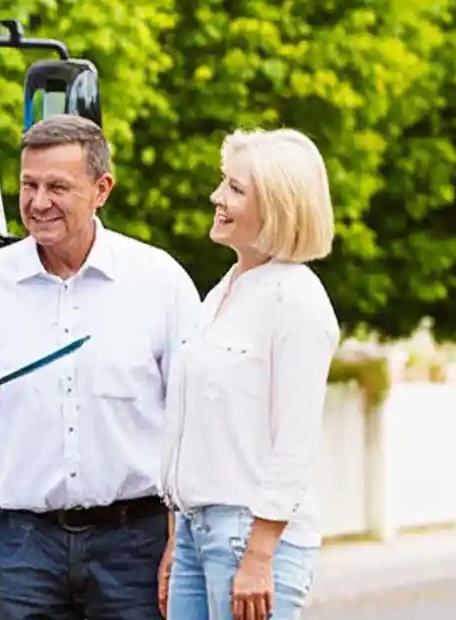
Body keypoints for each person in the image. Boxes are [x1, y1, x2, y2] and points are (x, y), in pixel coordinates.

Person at [0, 114, 203, 620]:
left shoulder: (159, 281)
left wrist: (179, 544)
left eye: (57, 187)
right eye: (28, 185)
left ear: (102, 189)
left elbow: (191, 425)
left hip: (136, 545)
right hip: (22, 548)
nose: (38, 203)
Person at [157, 128, 340, 620]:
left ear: (278, 206)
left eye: (235, 189)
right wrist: (178, 536)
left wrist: (259, 555)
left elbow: (295, 444)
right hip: (199, 531)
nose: (217, 197)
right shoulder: (221, 294)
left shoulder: (297, 300)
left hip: (250, 536)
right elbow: (190, 429)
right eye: (224, 182)